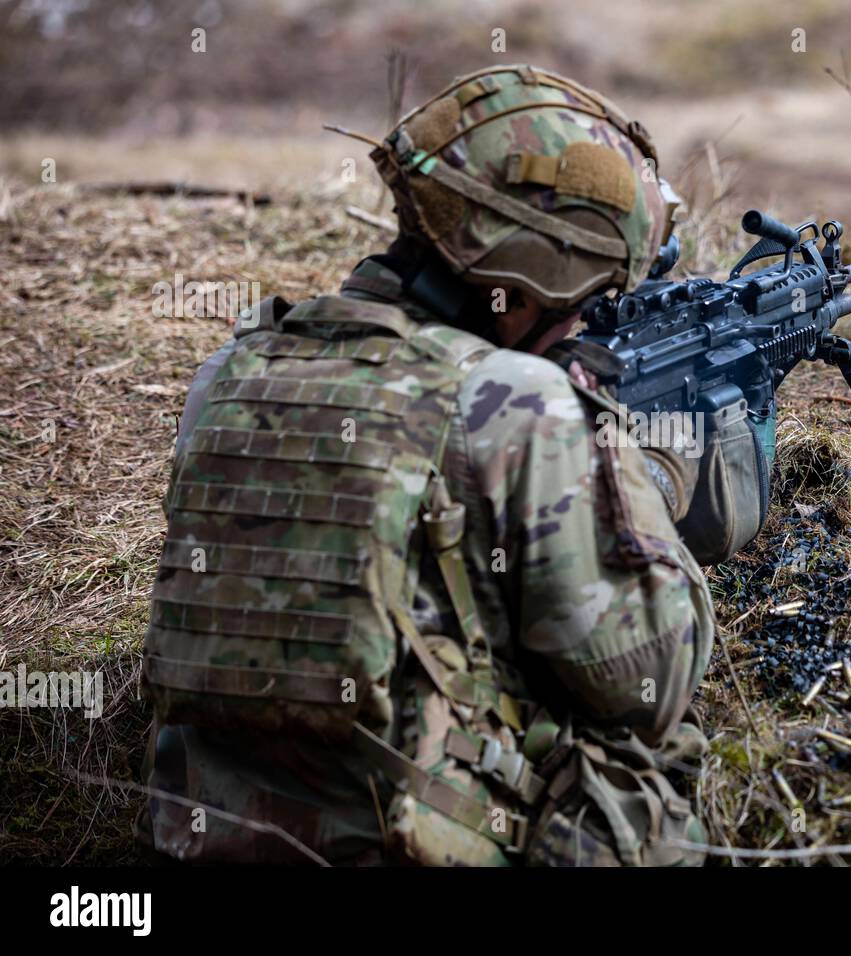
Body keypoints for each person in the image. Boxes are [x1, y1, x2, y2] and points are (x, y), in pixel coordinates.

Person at [137, 64, 770, 866]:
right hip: (414, 844)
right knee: (647, 795)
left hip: (199, 842)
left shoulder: (226, 373)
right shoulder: (516, 403)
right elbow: (649, 683)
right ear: (531, 282)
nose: (585, 318)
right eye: (587, 297)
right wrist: (627, 470)